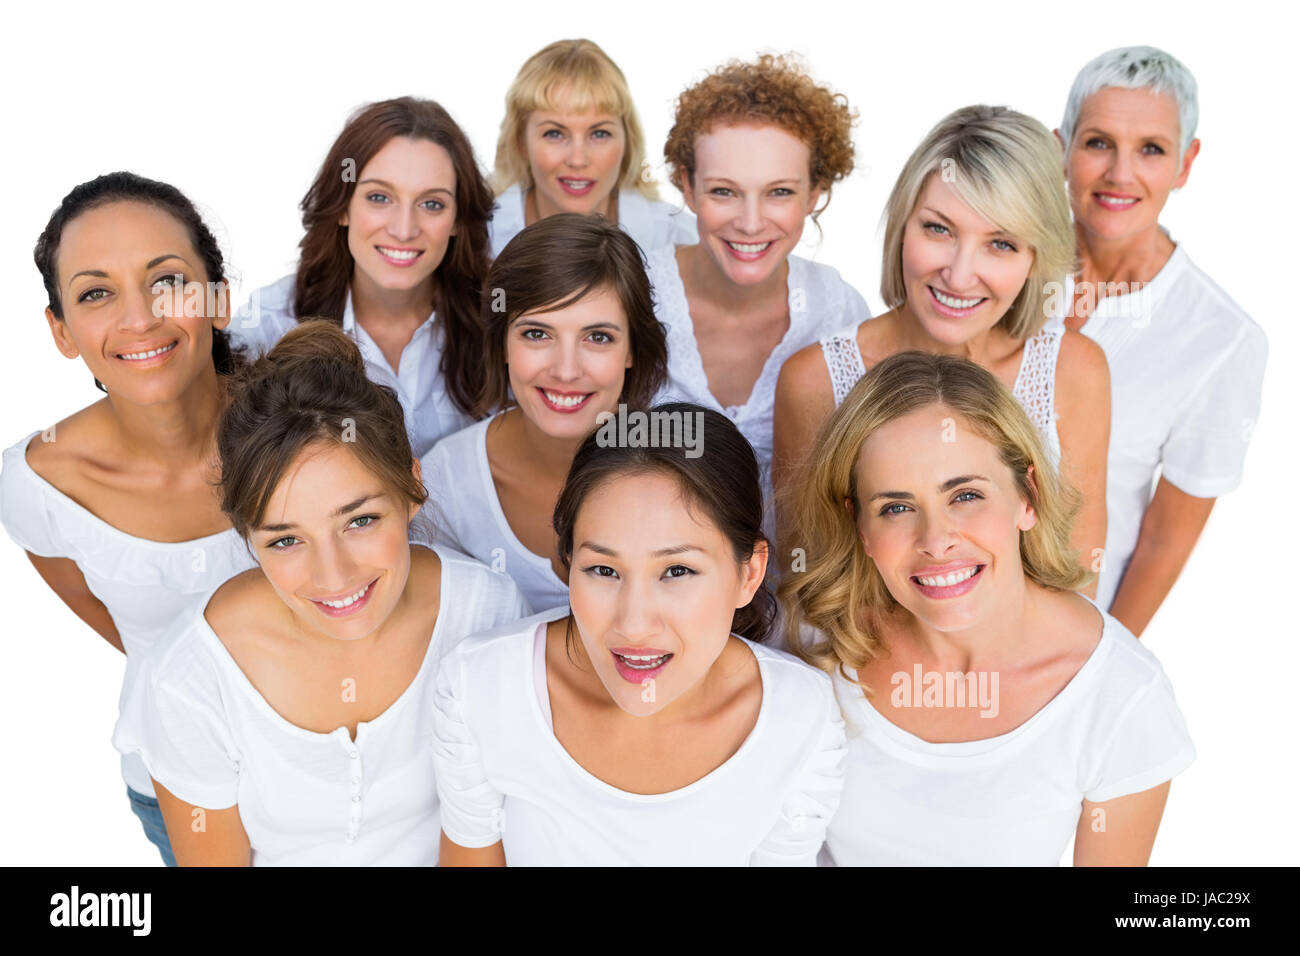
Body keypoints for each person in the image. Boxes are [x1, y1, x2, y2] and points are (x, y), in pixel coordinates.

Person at [112, 322, 528, 865]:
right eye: (286, 539)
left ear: (413, 488)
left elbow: (504, 828)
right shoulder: (192, 678)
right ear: (246, 537)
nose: (333, 576)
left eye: (359, 521)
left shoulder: (488, 612)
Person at [781, 351, 1194, 866]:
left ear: (1029, 496)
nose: (936, 541)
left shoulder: (1120, 697)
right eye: (897, 507)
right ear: (861, 526)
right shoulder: (814, 649)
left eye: (966, 495)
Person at [433, 404, 845, 865]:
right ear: (568, 565)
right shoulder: (481, 686)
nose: (633, 624)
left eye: (676, 571)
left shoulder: (801, 718)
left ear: (749, 574)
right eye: (604, 570)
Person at [1, 172, 258, 865]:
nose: (140, 317)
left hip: (356, 780)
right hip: (177, 790)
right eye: (94, 293)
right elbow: (136, 635)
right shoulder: (38, 483)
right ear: (60, 331)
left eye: (168, 280)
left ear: (219, 300)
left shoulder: (312, 428)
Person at [774, 105, 1109, 596]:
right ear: (902, 227)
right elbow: (810, 583)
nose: (958, 274)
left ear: (1037, 258)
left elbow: (1076, 578)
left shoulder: (1074, 371)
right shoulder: (815, 380)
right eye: (938, 229)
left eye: (1001, 244)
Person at [1052, 45, 1268, 634]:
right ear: (1060, 146)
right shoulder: (997, 266)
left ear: (1185, 163)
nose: (1121, 174)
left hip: (1074, 630)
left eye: (1151, 149)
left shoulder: (1221, 339)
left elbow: (1166, 541)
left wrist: (1105, 661)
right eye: (1098, 142)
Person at [648, 53, 869, 514]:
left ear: (814, 193)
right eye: (723, 191)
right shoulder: (633, 292)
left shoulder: (838, 311)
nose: (750, 223)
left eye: (779, 192)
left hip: (802, 581)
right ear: (687, 186)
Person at [420, 213, 667, 612]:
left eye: (598, 337)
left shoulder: (685, 471)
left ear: (633, 351)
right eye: (537, 334)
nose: (566, 370)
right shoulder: (445, 483)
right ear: (501, 343)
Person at [232, 97, 494, 457]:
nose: (404, 230)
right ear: (341, 207)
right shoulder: (271, 322)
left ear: (458, 221)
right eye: (379, 197)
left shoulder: (499, 322)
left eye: (432, 203)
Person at [488, 38, 695, 259]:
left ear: (627, 141)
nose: (578, 160)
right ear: (521, 142)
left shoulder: (679, 237)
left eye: (599, 134)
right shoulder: (479, 238)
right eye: (554, 134)